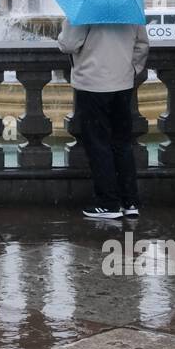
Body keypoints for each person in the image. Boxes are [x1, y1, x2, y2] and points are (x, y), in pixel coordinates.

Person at [59, 18, 149, 219]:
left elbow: (68, 44)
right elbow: (142, 45)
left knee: (98, 144)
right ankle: (130, 201)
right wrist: (133, 69)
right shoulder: (129, 6)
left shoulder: (85, 9)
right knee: (123, 143)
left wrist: (67, 23)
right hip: (122, 83)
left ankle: (108, 202)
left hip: (93, 84)